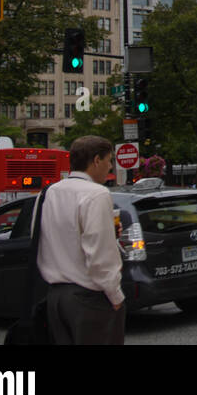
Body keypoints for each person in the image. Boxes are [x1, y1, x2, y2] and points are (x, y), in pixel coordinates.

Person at [36, 135, 125, 344]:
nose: (110, 166)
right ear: (96, 160)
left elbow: (42, 237)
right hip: (90, 297)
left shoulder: (49, 193)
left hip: (56, 296)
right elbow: (100, 254)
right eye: (108, 160)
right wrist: (115, 294)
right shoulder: (97, 194)